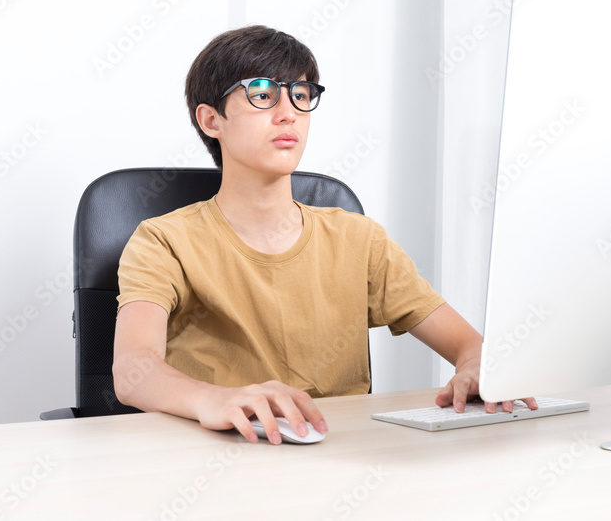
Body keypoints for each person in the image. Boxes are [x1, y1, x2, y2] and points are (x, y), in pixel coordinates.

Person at [112, 25, 535, 444]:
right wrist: (217, 400)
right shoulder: (163, 241)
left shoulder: (358, 238)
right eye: (262, 94)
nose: (288, 113)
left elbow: (470, 346)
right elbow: (134, 370)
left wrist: (477, 367)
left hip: (342, 452)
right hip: (219, 455)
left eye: (300, 95)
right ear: (211, 120)